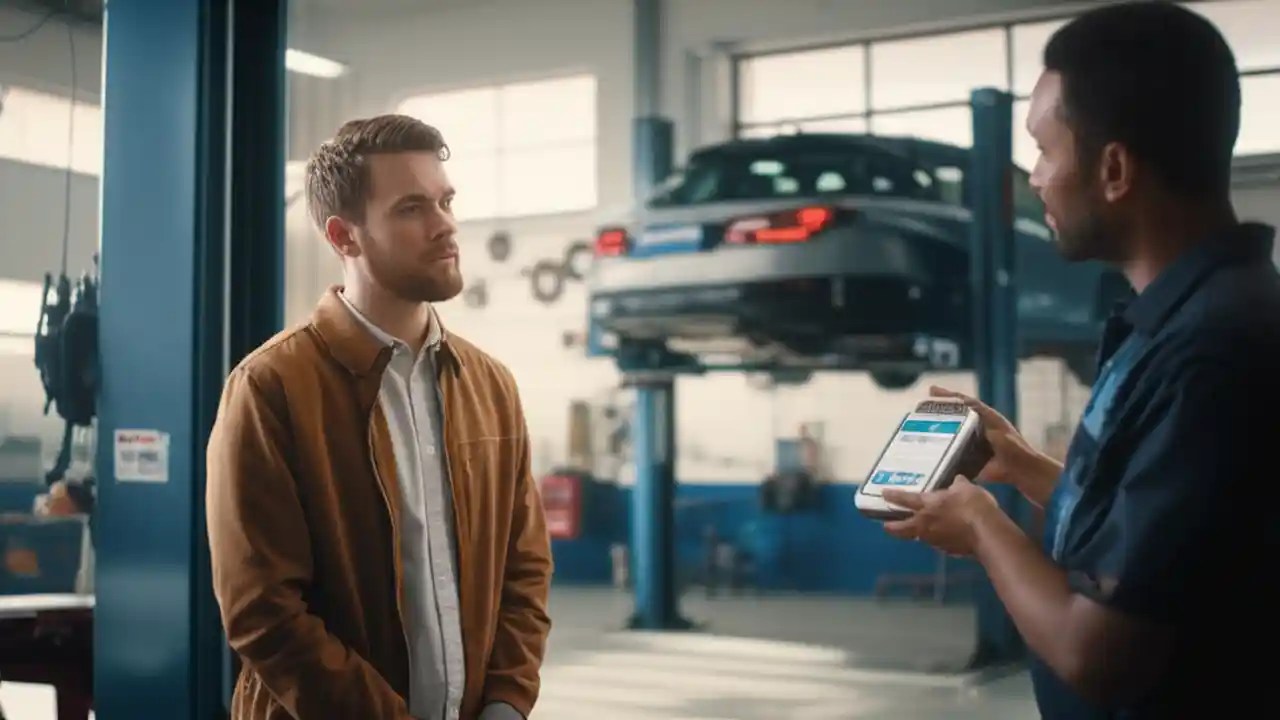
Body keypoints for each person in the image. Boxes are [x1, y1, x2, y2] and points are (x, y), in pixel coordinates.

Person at [878, 2, 1280, 718]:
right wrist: (1022, 465)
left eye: (1044, 148)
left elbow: (1098, 656)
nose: (1035, 178)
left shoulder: (1211, 353)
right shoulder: (1174, 322)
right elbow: (1154, 540)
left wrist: (980, 525)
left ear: (1115, 168)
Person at [206, 114, 553, 720]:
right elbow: (263, 611)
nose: (444, 225)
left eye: (445, 200)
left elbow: (524, 573)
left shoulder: (491, 386)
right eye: (412, 208)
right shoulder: (270, 389)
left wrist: (506, 702)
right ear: (345, 238)